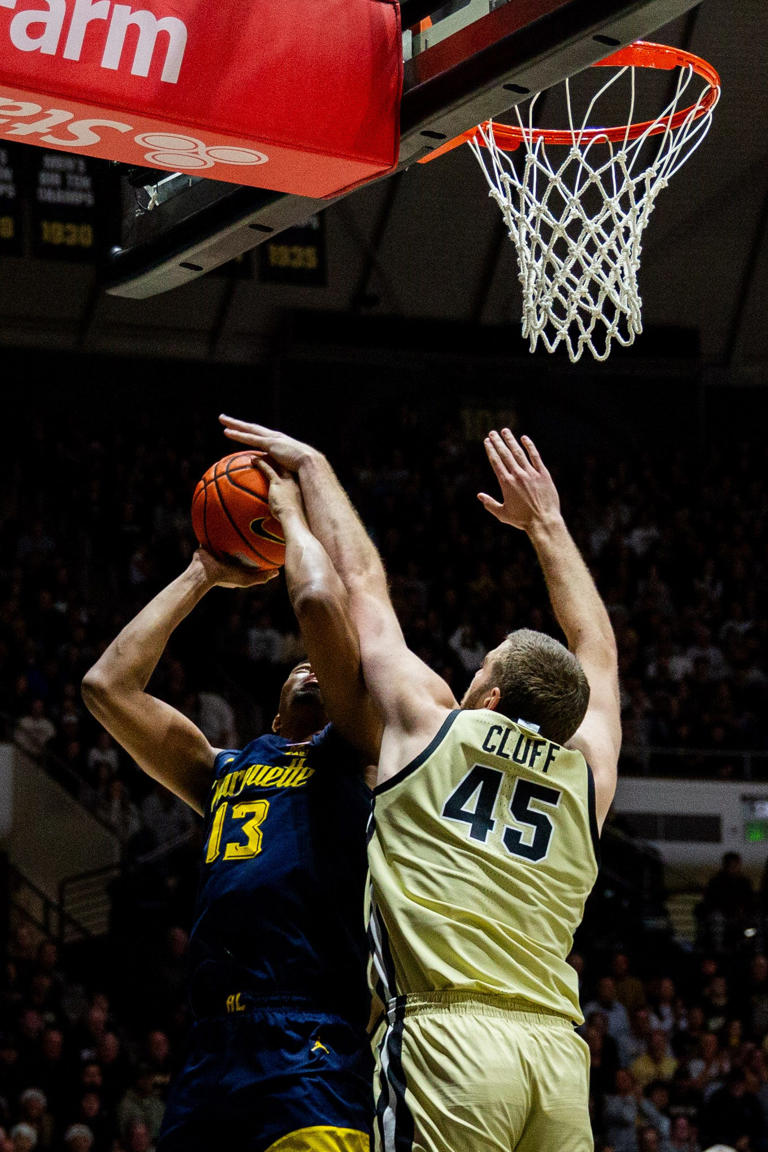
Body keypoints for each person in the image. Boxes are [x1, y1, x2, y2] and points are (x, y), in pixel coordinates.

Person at [220, 417, 621, 1152]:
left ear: (492, 699)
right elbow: (599, 647)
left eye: (482, 668)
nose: (469, 677)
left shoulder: (431, 726)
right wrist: (550, 528)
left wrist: (313, 468)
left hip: (448, 1036)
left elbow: (361, 585)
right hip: (557, 1055)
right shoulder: (588, 771)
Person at [81, 466, 381, 1151]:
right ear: (273, 706)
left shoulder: (358, 750)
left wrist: (289, 515)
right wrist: (201, 573)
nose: (309, 665)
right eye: (294, 669)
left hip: (313, 1033)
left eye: (323, 668)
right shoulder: (223, 770)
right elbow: (107, 687)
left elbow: (316, 612)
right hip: (212, 1043)